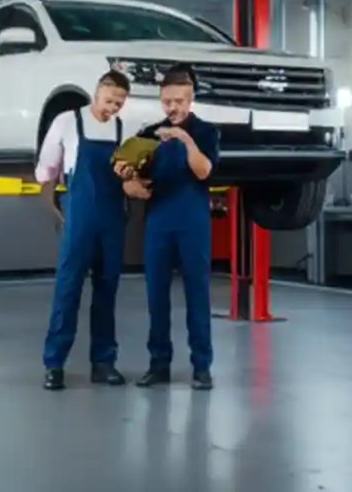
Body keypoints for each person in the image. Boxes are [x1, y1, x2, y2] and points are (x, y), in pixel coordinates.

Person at [36, 70, 149, 391]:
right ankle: (54, 364)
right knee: (68, 287)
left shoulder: (125, 129)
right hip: (80, 216)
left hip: (113, 218)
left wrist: (134, 177)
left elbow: (134, 170)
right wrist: (49, 186)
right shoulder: (67, 121)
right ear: (96, 93)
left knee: (107, 289)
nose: (113, 107)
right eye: (109, 100)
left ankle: (103, 362)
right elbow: (47, 166)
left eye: (119, 103)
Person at [118, 63, 219, 391]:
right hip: (158, 221)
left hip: (192, 222)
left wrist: (186, 140)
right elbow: (125, 167)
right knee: (156, 295)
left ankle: (201, 366)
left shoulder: (206, 132)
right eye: (167, 102)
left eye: (178, 101)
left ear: (190, 101)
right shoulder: (150, 134)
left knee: (197, 295)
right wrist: (128, 182)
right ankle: (158, 364)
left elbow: (203, 172)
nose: (172, 108)